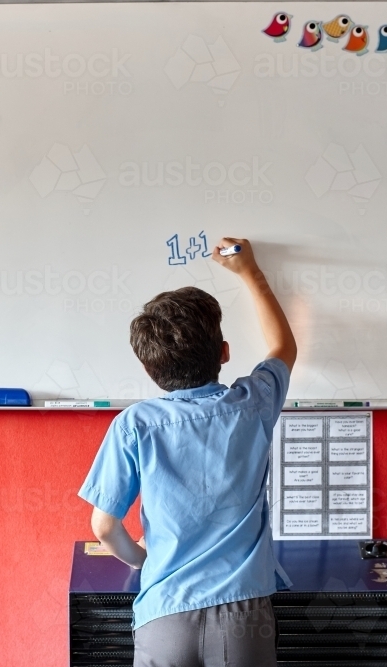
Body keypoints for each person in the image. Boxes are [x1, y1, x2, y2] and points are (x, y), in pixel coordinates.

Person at [78, 237, 297, 667]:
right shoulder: (251, 404)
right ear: (225, 353)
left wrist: (143, 559)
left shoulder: (134, 424)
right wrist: (250, 272)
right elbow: (283, 348)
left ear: (148, 368)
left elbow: (104, 527)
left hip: (165, 613)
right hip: (244, 615)